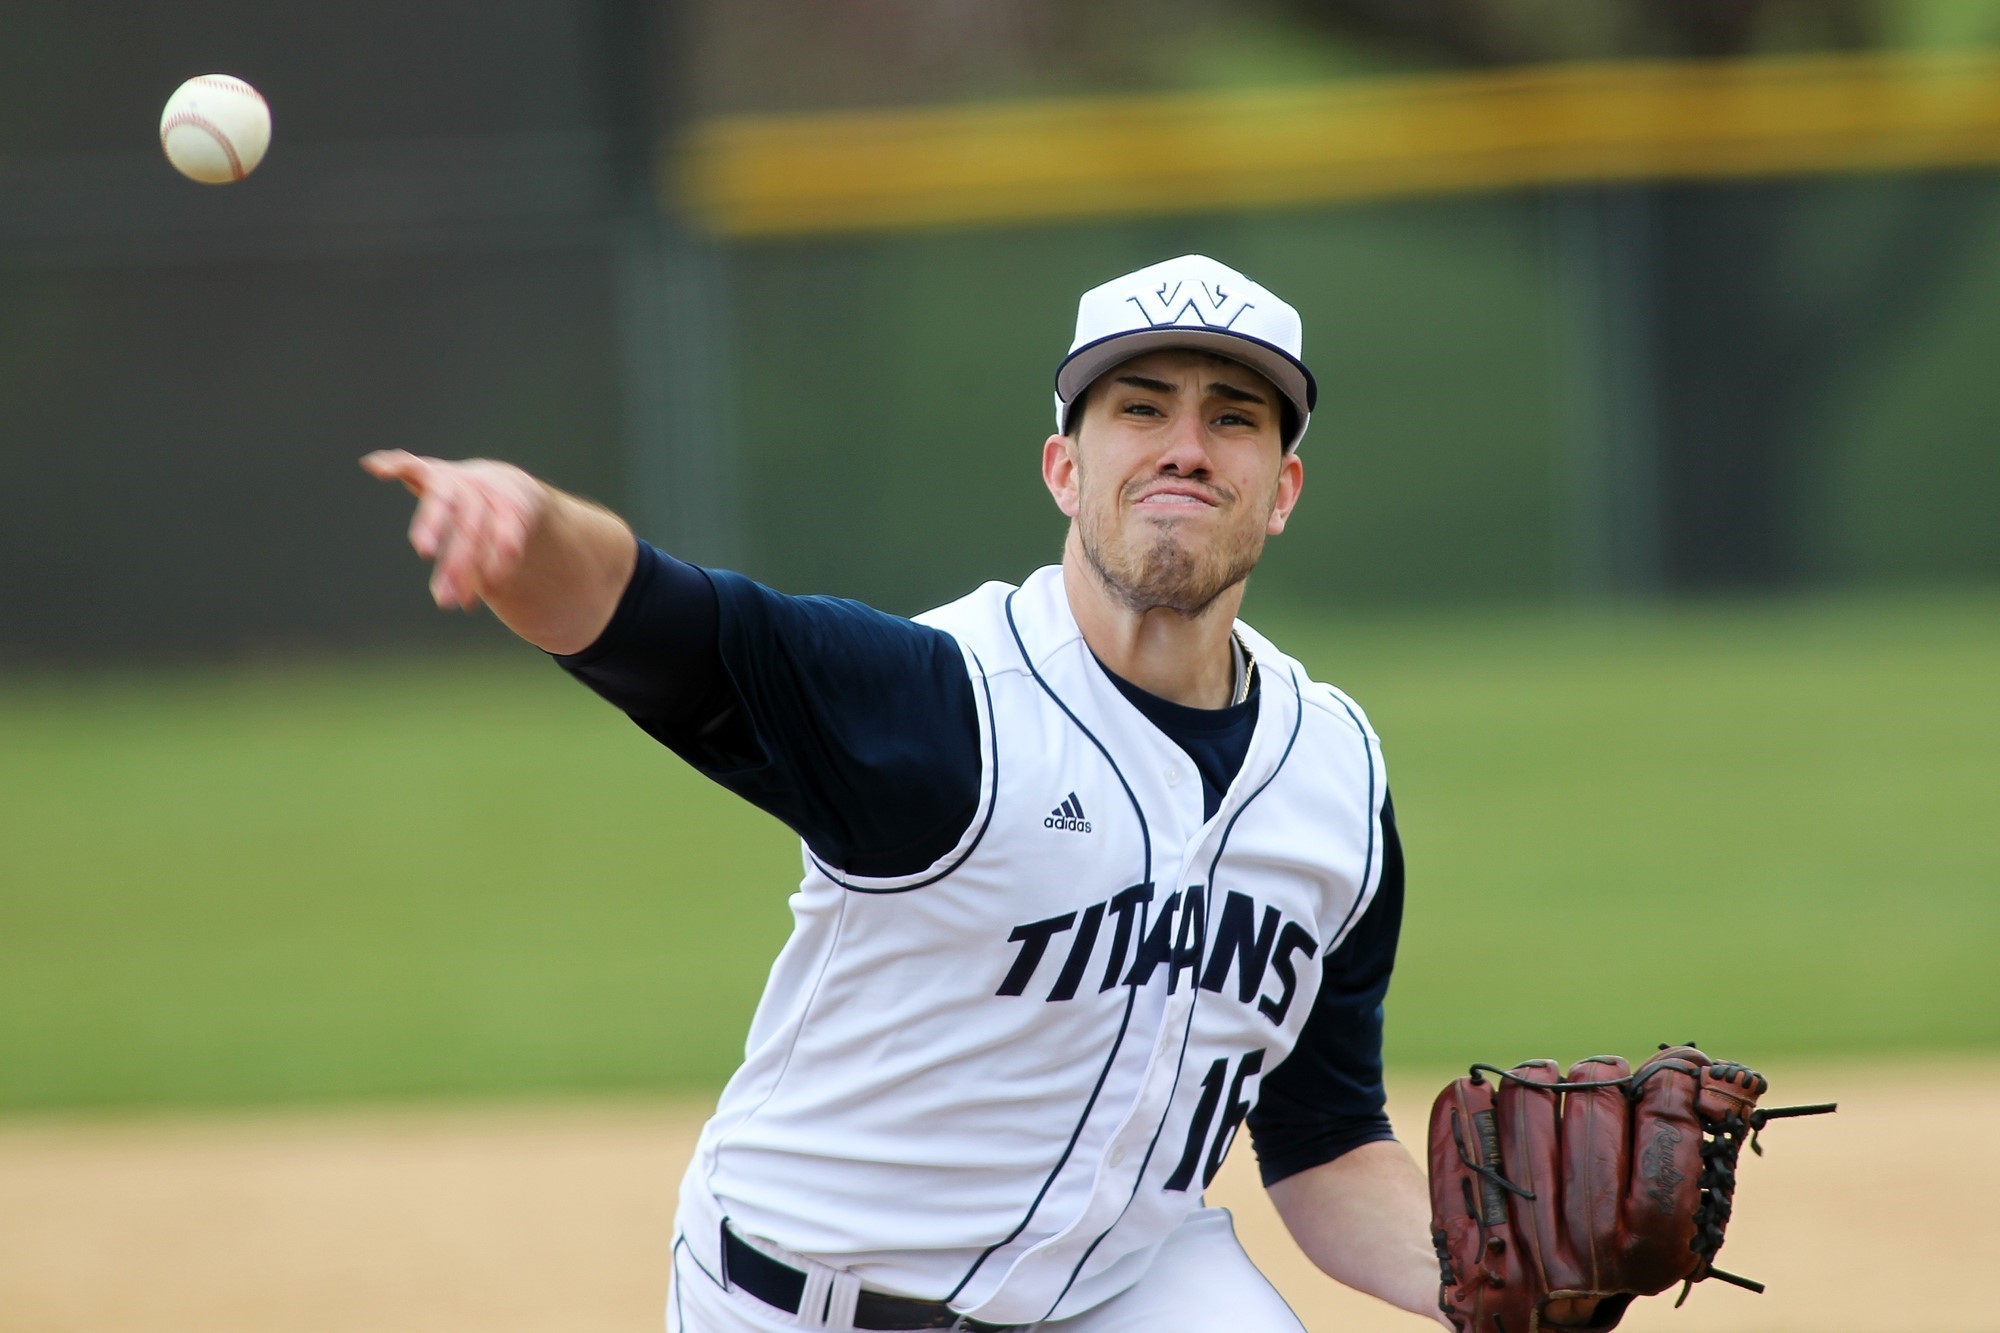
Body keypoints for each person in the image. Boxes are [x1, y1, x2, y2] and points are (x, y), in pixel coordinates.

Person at [363, 254, 1448, 1331]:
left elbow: (1326, 1135)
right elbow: (652, 617)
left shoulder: (1331, 775)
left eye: (1232, 418)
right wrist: (530, 525)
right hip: (810, 1303)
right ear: (1064, 470)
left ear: (1280, 491)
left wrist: (1493, 1285)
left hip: (1120, 1289)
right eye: (1140, 408)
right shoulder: (941, 702)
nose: (1183, 448)